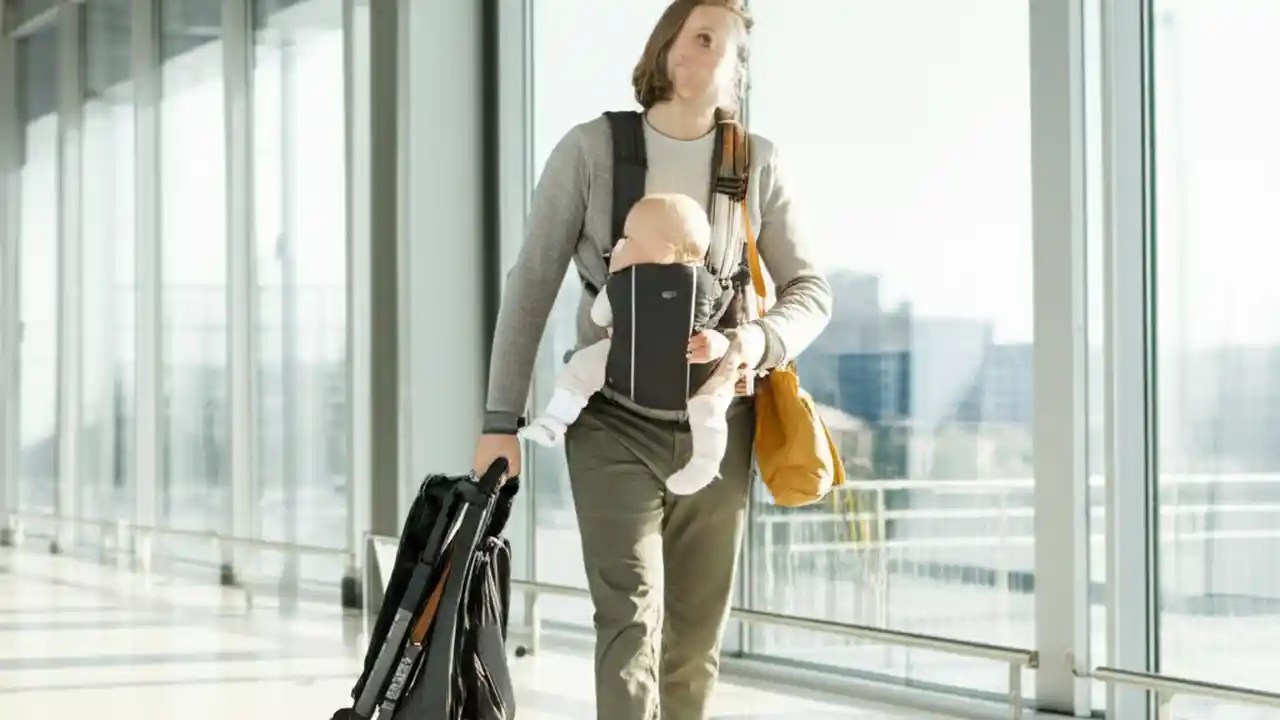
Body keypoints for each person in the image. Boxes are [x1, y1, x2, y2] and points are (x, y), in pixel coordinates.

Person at [473, 1, 833, 717]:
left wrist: (756, 341)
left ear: (737, 73)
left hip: (718, 425)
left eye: (718, 43)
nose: (699, 49)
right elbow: (532, 284)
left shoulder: (756, 164)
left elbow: (811, 292)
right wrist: (499, 421)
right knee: (629, 622)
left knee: (694, 640)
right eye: (692, 33)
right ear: (664, 45)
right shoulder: (590, 151)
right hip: (610, 422)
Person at [518, 192, 737, 496]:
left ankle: (555, 420)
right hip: (690, 368)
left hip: (630, 360)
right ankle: (706, 462)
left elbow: (598, 317)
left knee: (583, 366)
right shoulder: (709, 285)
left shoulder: (621, 284)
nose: (618, 246)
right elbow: (721, 327)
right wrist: (717, 344)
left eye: (628, 239)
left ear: (663, 252)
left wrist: (615, 280)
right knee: (711, 401)